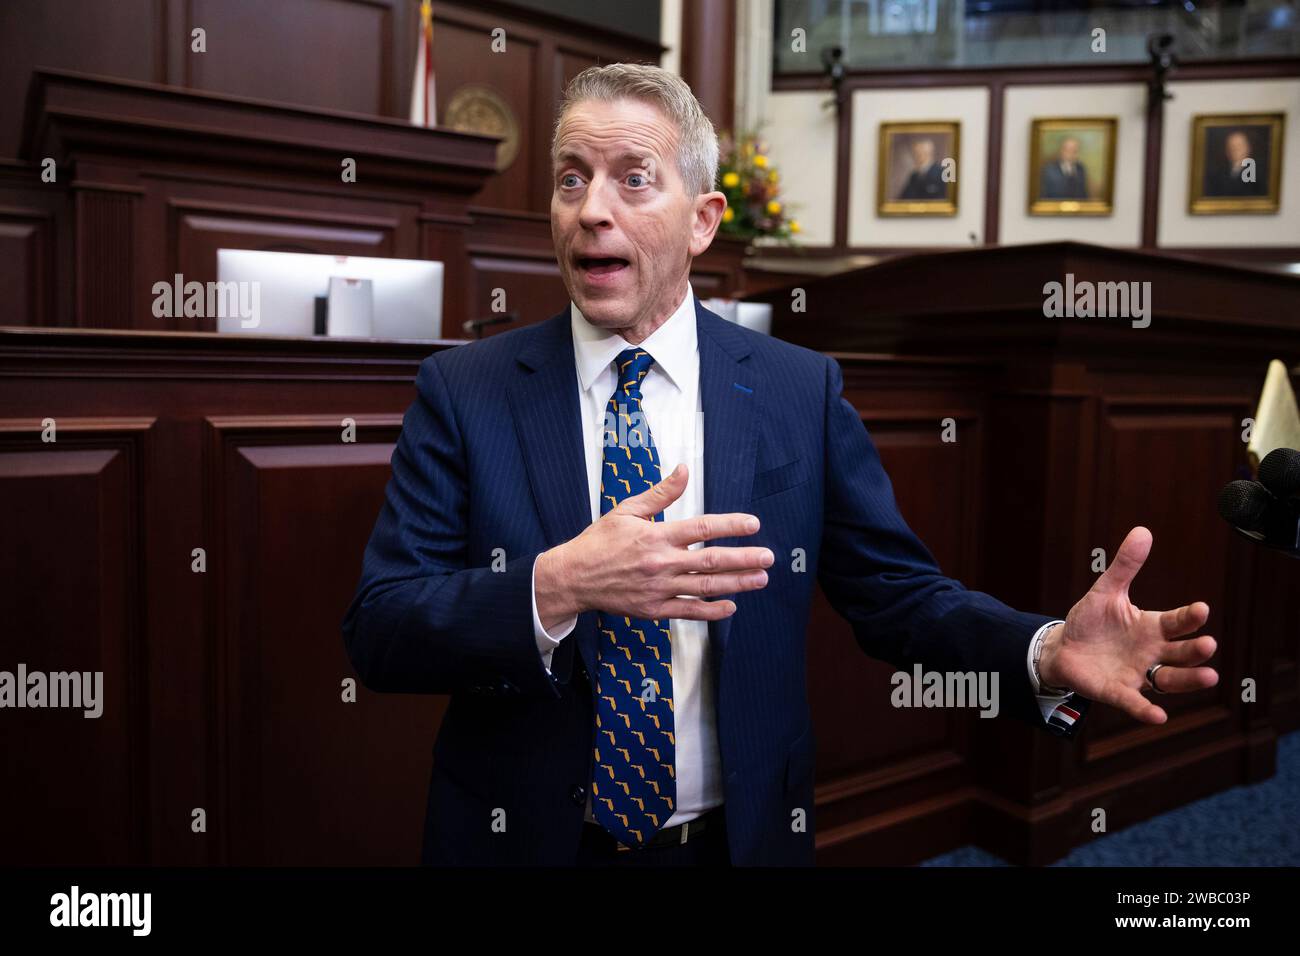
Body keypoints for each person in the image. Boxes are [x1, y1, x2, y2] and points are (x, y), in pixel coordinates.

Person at [342, 63, 1218, 867]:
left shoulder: (799, 389)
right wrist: (554, 586)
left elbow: (897, 596)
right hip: (520, 842)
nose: (591, 209)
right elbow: (381, 630)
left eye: (632, 178)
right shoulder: (466, 390)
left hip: (737, 841)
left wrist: (1046, 648)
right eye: (571, 178)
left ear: (703, 221)